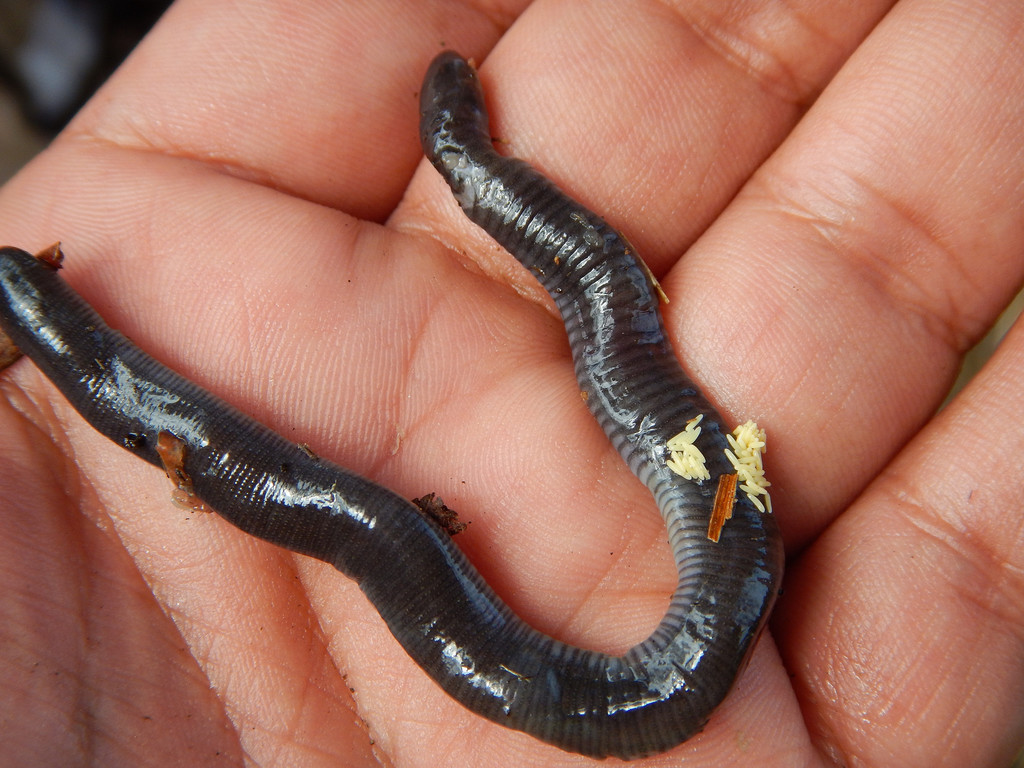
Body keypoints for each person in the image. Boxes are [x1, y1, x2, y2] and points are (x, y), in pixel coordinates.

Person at [1, 2, 1022, 765]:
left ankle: (462, 156)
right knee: (584, 321)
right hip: (694, 577)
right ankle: (461, 156)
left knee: (596, 310)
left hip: (688, 601)